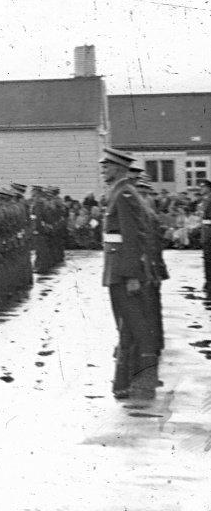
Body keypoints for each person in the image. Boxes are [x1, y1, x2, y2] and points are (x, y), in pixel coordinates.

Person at [100, 147, 159, 400]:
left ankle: (141, 382)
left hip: (124, 273)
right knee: (129, 328)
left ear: (119, 169)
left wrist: (133, 275)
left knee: (135, 328)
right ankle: (127, 382)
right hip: (119, 270)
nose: (103, 170)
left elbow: (132, 237)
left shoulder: (124, 194)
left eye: (107, 166)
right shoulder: (120, 193)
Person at [199, 179, 211, 291]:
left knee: (209, 259)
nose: (201, 189)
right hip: (206, 233)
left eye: (203, 187)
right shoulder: (205, 199)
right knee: (207, 259)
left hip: (209, 233)